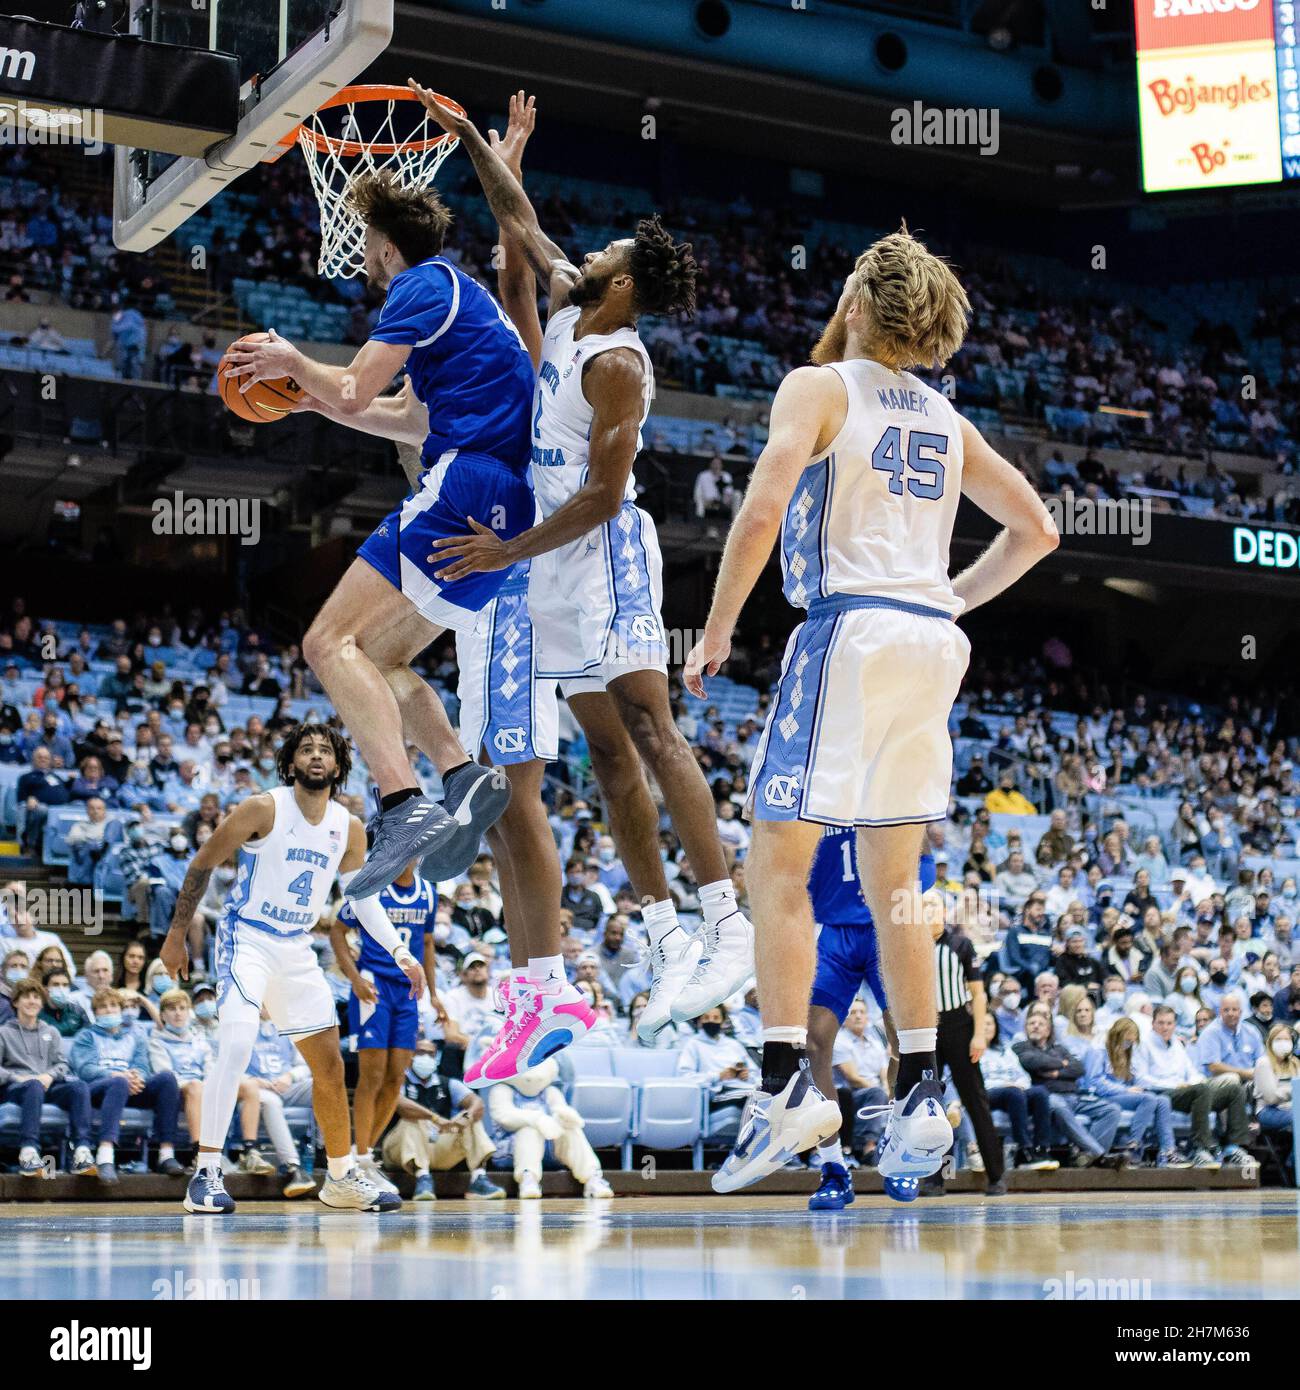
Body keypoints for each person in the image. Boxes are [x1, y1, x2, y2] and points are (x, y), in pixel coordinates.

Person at [679, 223, 1059, 1194]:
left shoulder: (818, 388)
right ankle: (924, 1090)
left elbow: (760, 510)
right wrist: (949, 600)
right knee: (898, 881)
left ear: (853, 300)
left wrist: (717, 626)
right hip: (932, 645)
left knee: (778, 857)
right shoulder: (944, 418)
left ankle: (783, 1086)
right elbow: (1038, 529)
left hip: (849, 628)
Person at [413, 84, 754, 1041]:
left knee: (649, 727)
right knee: (603, 753)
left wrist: (505, 550)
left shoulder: (621, 367)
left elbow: (603, 499)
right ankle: (661, 930)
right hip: (546, 564)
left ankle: (725, 917)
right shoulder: (570, 308)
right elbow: (516, 222)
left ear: (624, 285)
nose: (589, 249)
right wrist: (479, 141)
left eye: (606, 254)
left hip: (603, 554)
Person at [227, 161, 540, 901]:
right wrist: (313, 399)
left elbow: (354, 386)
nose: (363, 256)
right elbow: (402, 415)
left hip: (461, 485)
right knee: (372, 658)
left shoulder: (418, 286)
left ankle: (403, 807)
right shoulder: (465, 299)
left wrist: (291, 361)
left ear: (386, 246)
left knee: (324, 643)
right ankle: (461, 776)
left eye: (367, 242)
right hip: (503, 507)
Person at [158, 723, 425, 1214]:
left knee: (327, 1065)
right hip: (248, 938)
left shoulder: (348, 827)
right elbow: (201, 863)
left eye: (326, 749)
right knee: (236, 1043)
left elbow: (362, 900)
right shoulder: (264, 807)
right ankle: (207, 1172)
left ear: (340, 766)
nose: (317, 755)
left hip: (298, 947)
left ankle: (342, 1177)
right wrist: (176, 935)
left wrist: (402, 953)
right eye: (307, 749)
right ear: (291, 762)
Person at [804, 830, 927, 1209]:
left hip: (885, 924)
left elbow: (921, 846)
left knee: (905, 1039)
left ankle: (900, 1144)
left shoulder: (888, 780)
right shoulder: (819, 780)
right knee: (813, 1044)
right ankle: (833, 1169)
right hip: (833, 928)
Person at [330, 859, 443, 1191]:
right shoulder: (372, 887)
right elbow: (337, 933)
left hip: (408, 992)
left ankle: (364, 1156)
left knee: (396, 1078)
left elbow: (426, 943)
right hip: (374, 986)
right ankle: (360, 1156)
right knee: (373, 1076)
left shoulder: (428, 892)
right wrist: (353, 978)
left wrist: (435, 995)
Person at [69, 987, 183, 1182]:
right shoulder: (86, 1036)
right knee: (119, 1081)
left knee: (167, 1079)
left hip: (130, 1087)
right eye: (103, 1007)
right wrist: (116, 1074)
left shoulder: (135, 1036)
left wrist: (138, 1077)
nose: (109, 1010)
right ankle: (105, 1157)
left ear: (121, 1010)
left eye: (113, 1005)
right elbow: (85, 1069)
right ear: (95, 1012)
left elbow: (142, 1066)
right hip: (97, 1090)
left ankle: (166, 1154)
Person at [379, 1039, 503, 1200]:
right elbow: (402, 1105)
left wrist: (466, 1117)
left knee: (470, 1118)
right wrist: (435, 1118)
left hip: (435, 1147)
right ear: (410, 1055)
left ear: (436, 1058)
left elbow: (477, 1103)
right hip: (398, 1150)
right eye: (420, 1053)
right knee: (412, 1119)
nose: (425, 1058)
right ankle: (422, 1177)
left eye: (430, 1054)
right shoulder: (398, 1081)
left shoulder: (447, 1083)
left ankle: (479, 1178)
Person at [0, 978, 98, 1177]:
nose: (32, 1001)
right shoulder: (3, 1032)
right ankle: (28, 1151)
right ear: (15, 1002)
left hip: (46, 1085)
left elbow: (62, 1064)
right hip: (16, 1088)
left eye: (36, 997)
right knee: (33, 1085)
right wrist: (17, 1078)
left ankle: (82, 1150)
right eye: (26, 997)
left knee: (79, 1087)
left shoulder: (51, 1032)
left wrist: (49, 1075)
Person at [1135, 1004, 1251, 1169]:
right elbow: (1142, 1080)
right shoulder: (1144, 1044)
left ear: (1175, 1025)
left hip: (1189, 1091)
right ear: (1153, 1024)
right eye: (1160, 1023)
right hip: (1163, 1094)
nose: (1165, 1027)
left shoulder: (1177, 1044)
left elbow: (1191, 1071)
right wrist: (1177, 1085)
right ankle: (1201, 1149)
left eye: (1169, 1023)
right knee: (1201, 1090)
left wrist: (1197, 1081)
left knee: (1233, 1089)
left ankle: (1233, 1147)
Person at [1013, 1007, 1121, 1166]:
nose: (1035, 1026)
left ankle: (1088, 1157)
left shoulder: (1059, 1048)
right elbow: (1032, 1061)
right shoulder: (1021, 1047)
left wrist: (1056, 1073)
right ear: (1026, 1028)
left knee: (1112, 1110)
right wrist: (1062, 1064)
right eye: (1031, 1023)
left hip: (1075, 1096)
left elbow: (1078, 1068)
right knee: (1059, 1106)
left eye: (1040, 1024)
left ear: (1048, 1030)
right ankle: (1100, 1155)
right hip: (1049, 1097)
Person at [1084, 1017, 1179, 1166]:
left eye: (1131, 1043)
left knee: (1163, 1101)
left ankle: (1168, 1151)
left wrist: (1141, 1086)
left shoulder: (1126, 1052)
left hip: (1123, 1094)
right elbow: (1095, 1083)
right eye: (1126, 1041)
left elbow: (1133, 1078)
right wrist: (1125, 1089)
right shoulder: (1098, 1050)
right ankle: (1133, 1145)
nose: (1128, 1046)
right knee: (1148, 1099)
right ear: (1117, 1036)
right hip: (1102, 1097)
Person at [243, 1013, 316, 1197]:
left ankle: (329, 1153)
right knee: (271, 1101)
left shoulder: (286, 1028)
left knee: (323, 1085)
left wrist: (289, 1077)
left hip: (286, 1086)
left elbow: (305, 1065)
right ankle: (293, 1166)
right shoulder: (242, 1026)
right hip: (254, 1091)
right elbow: (227, 1066)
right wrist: (252, 1080)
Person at [976, 1013, 1058, 1169]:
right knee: (1014, 1093)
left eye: (991, 1024)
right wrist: (1005, 1084)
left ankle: (1041, 1149)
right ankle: (1024, 1150)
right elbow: (974, 1081)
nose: (987, 1027)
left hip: (1014, 1091)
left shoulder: (1005, 1050)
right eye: (983, 1023)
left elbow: (1023, 1075)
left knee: (1040, 1092)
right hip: (986, 1092)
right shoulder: (971, 1051)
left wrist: (1019, 1084)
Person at [675, 1006, 755, 1146]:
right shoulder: (693, 1045)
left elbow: (754, 1073)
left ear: (723, 1021)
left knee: (765, 1099)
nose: (711, 1021)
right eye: (706, 1018)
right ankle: (742, 1151)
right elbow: (685, 1077)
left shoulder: (734, 1045)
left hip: (743, 1088)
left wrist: (746, 1075)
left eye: (716, 1018)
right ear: (699, 1022)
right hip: (717, 1093)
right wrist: (718, 1076)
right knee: (752, 1100)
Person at [1254, 1023, 1299, 1152]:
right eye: (1278, 1039)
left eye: (1286, 1040)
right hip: (1268, 1111)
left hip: (1291, 1108)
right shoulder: (1264, 1063)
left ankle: (1291, 1161)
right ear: (1270, 1042)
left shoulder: (1295, 1063)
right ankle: (1293, 1164)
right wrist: (1294, 1089)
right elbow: (1271, 1097)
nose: (1283, 1043)